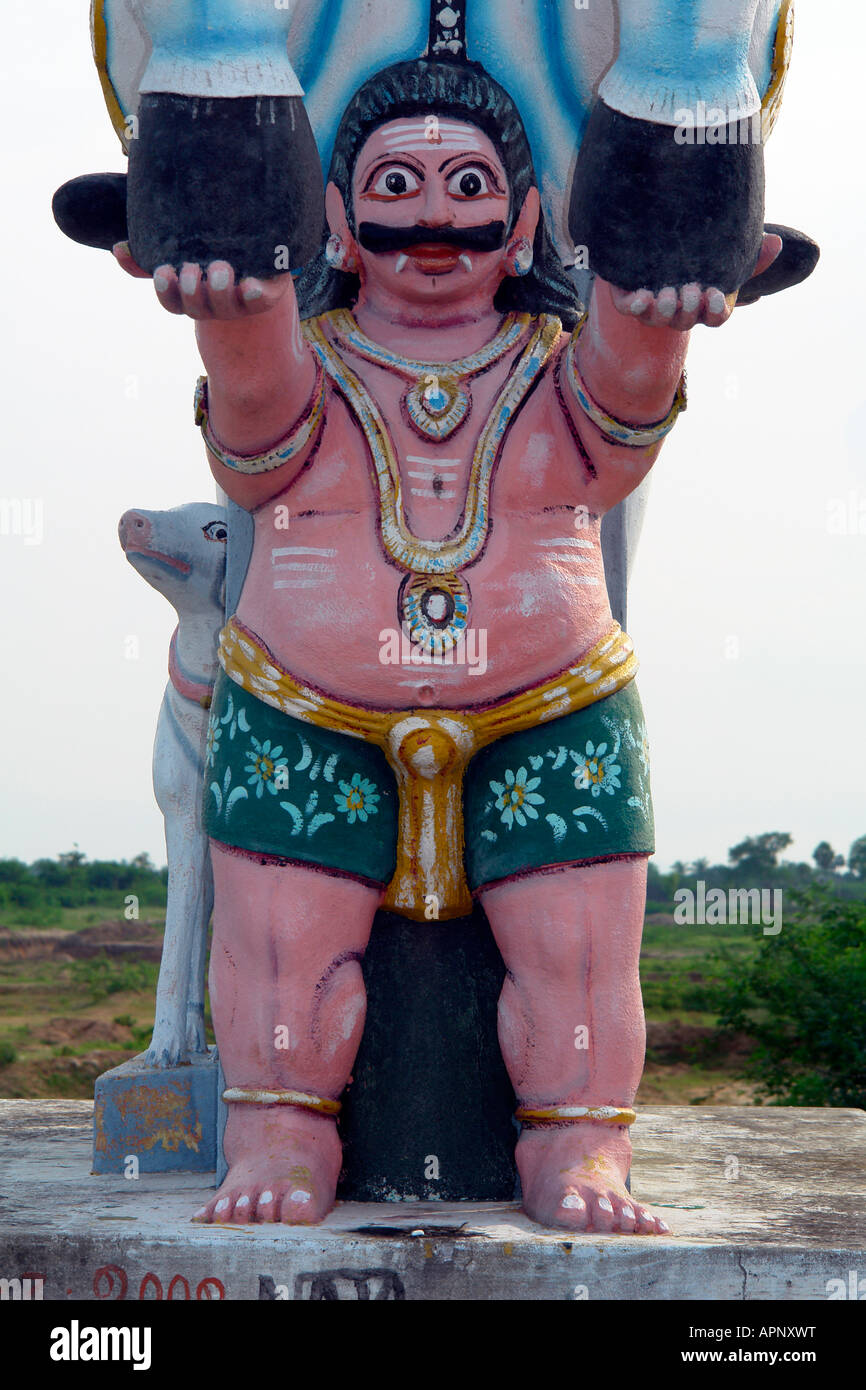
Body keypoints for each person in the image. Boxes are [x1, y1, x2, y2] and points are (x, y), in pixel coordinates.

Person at [115, 56, 780, 1232]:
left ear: (524, 221)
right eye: (396, 183)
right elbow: (254, 449)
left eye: (468, 183)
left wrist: (651, 303)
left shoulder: (552, 371)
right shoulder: (306, 358)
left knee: (574, 963)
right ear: (334, 218)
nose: (431, 215)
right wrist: (241, 309)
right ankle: (276, 1127)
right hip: (306, 703)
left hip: (550, 700)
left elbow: (618, 429)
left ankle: (578, 1143)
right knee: (279, 956)